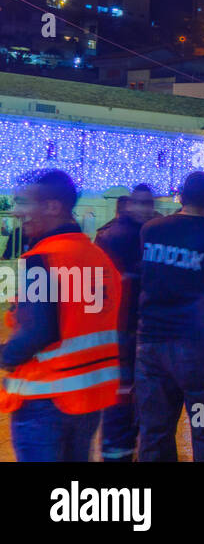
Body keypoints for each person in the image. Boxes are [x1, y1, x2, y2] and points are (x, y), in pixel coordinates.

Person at [0, 170, 122, 461]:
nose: (17, 212)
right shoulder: (98, 258)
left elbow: (38, 332)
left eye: (24, 202)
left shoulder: (43, 259)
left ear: (52, 207)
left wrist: (5, 355)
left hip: (45, 398)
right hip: (89, 395)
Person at [135, 171, 204, 462]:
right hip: (198, 353)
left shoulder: (151, 231)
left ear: (181, 197)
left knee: (155, 431)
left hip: (152, 347)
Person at [93, 183, 155, 461]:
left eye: (148, 203)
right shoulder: (120, 236)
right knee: (122, 403)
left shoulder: (141, 234)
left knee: (128, 403)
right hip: (124, 331)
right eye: (139, 202)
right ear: (128, 205)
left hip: (133, 331)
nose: (144, 208)